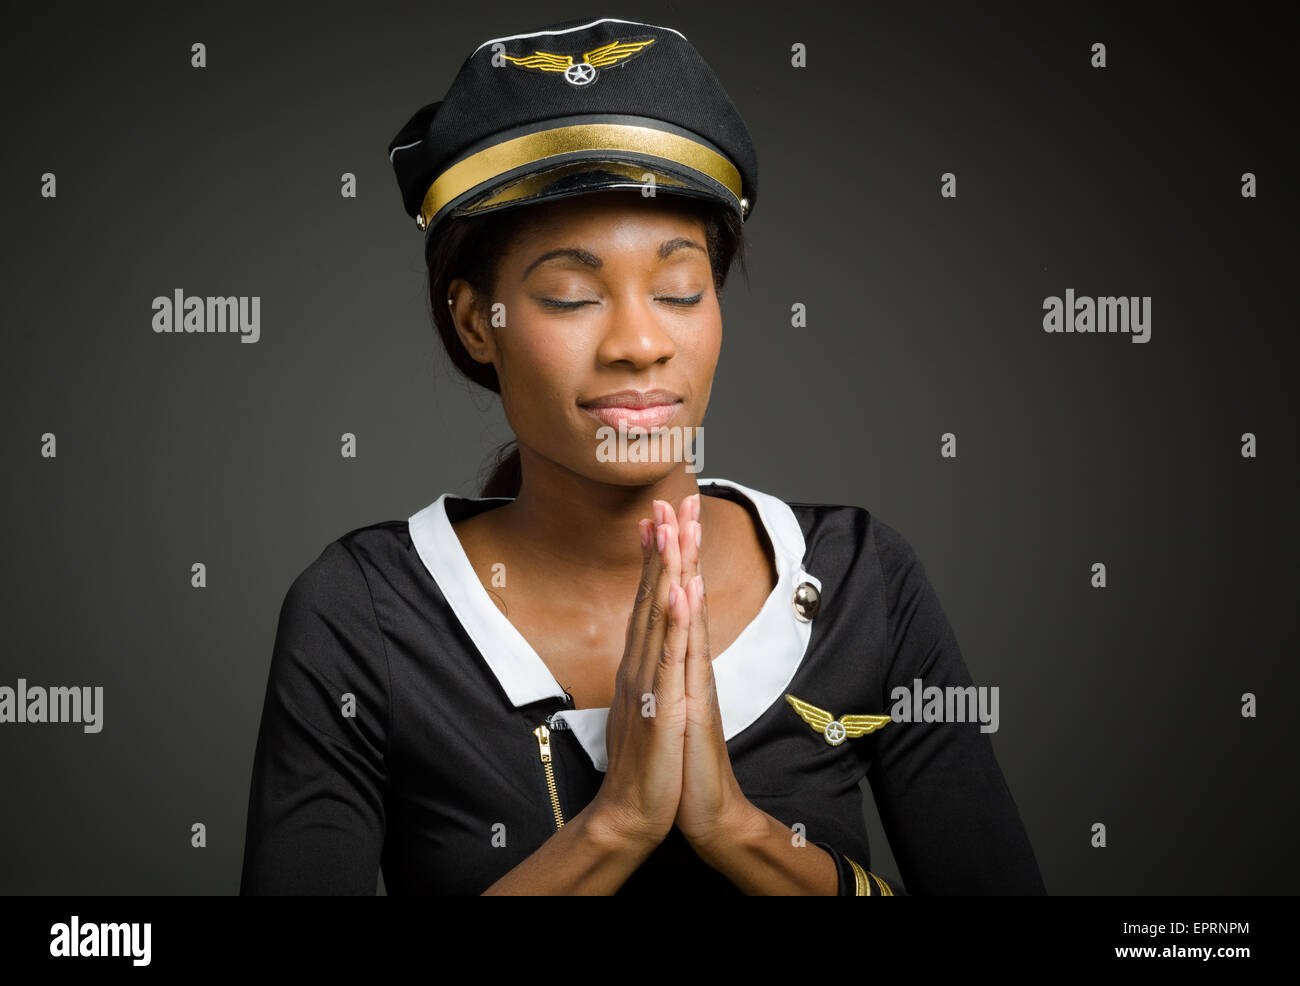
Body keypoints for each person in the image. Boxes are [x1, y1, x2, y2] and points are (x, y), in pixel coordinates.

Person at [238, 15, 1046, 896]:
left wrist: (736, 831)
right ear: (477, 321)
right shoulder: (364, 611)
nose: (638, 341)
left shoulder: (861, 581)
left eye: (679, 289)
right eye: (572, 296)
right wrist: (615, 826)